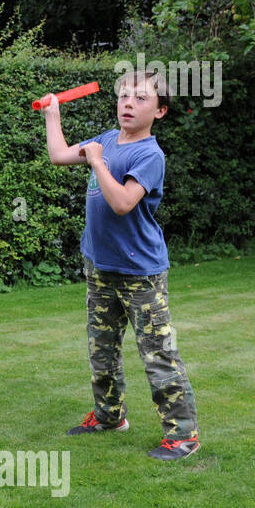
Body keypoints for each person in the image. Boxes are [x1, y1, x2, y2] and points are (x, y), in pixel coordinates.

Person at [40, 70, 200, 459]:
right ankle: (109, 416)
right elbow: (60, 155)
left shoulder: (149, 155)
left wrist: (97, 164)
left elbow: (123, 203)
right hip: (101, 267)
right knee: (102, 351)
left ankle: (183, 436)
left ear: (159, 111)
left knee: (159, 354)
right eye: (124, 95)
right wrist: (52, 114)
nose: (128, 103)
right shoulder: (106, 140)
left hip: (140, 273)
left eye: (140, 98)